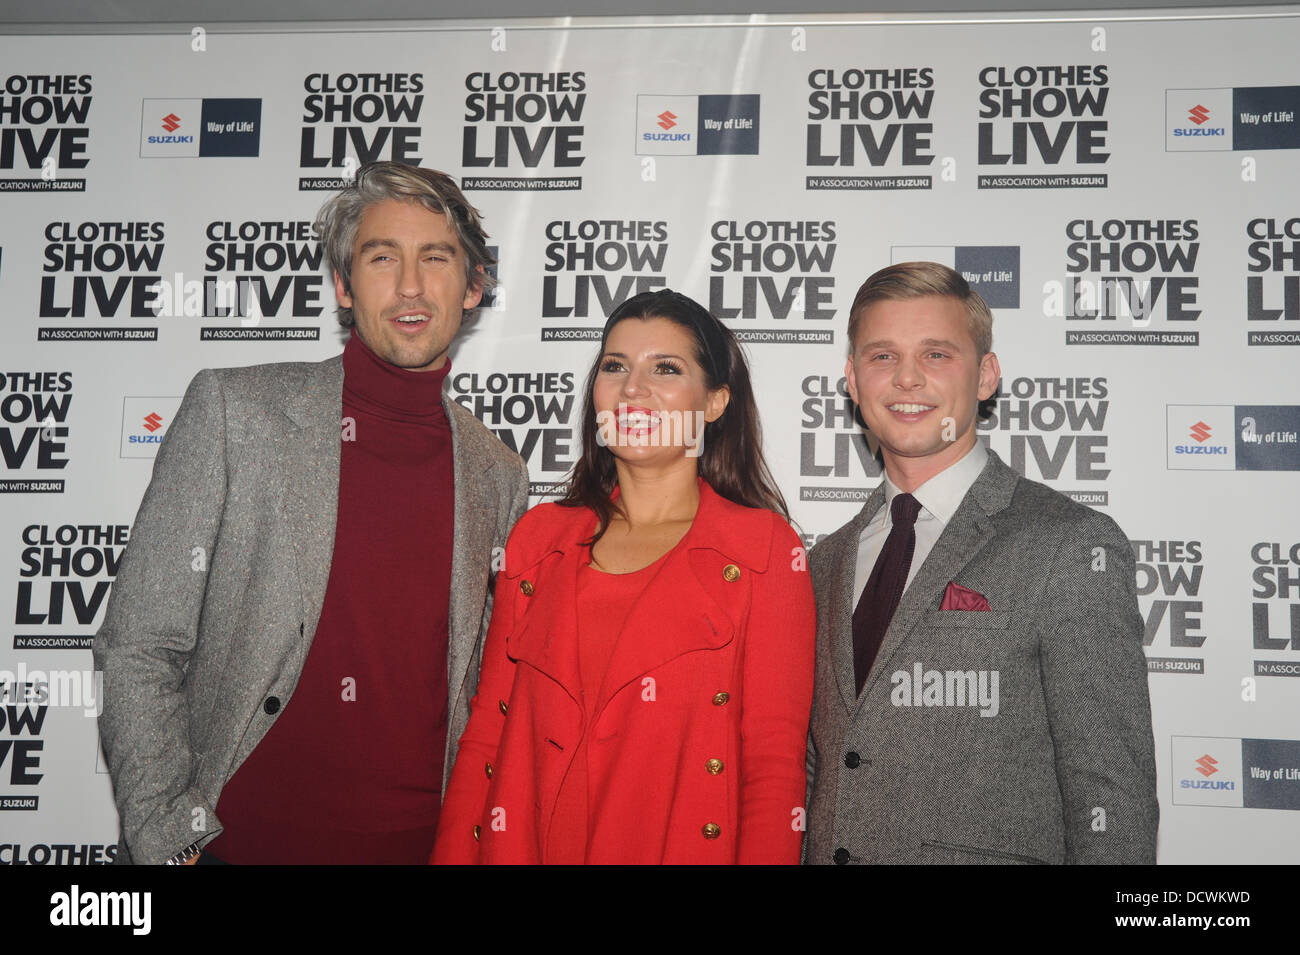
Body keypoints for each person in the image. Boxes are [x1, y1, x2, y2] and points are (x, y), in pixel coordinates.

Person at [94, 162, 529, 864]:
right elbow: (140, 641)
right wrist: (167, 839)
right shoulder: (236, 414)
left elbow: (481, 694)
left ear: (474, 287)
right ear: (343, 286)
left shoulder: (499, 473)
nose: (411, 285)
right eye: (382, 257)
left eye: (436, 258)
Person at [433, 289, 814, 864]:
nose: (633, 389)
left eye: (666, 368)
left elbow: (771, 766)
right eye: (615, 367)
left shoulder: (762, 551)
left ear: (714, 402)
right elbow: (489, 732)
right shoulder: (538, 541)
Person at [804, 261, 1158, 865]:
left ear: (987, 376)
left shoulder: (1071, 546)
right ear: (852, 381)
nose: (907, 379)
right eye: (882, 356)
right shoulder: (825, 560)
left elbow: (1111, 796)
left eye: (937, 354)